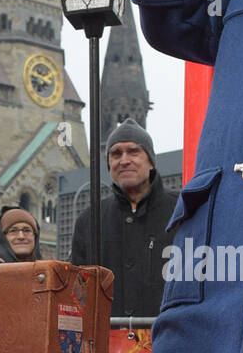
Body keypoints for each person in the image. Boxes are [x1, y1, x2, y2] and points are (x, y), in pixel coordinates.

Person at [70, 119, 176, 317]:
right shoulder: (90, 221)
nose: (124, 160)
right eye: (116, 154)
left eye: (133, 151)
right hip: (108, 343)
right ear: (109, 165)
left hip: (167, 340)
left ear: (151, 161)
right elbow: (78, 293)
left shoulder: (180, 211)